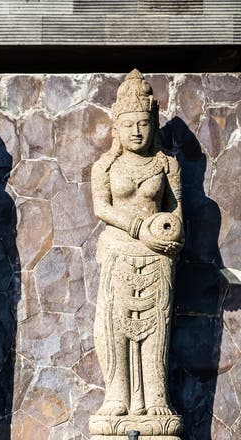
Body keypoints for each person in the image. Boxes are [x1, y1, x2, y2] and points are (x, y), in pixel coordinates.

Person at [91, 69, 184, 420]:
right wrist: (136, 227)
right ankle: (116, 396)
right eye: (129, 124)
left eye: (143, 124)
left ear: (153, 125)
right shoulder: (106, 166)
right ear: (117, 127)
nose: (136, 131)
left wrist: (169, 235)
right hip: (119, 250)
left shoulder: (166, 165)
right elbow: (102, 208)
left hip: (157, 255)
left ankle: (156, 395)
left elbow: (175, 214)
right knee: (115, 325)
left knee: (156, 325)